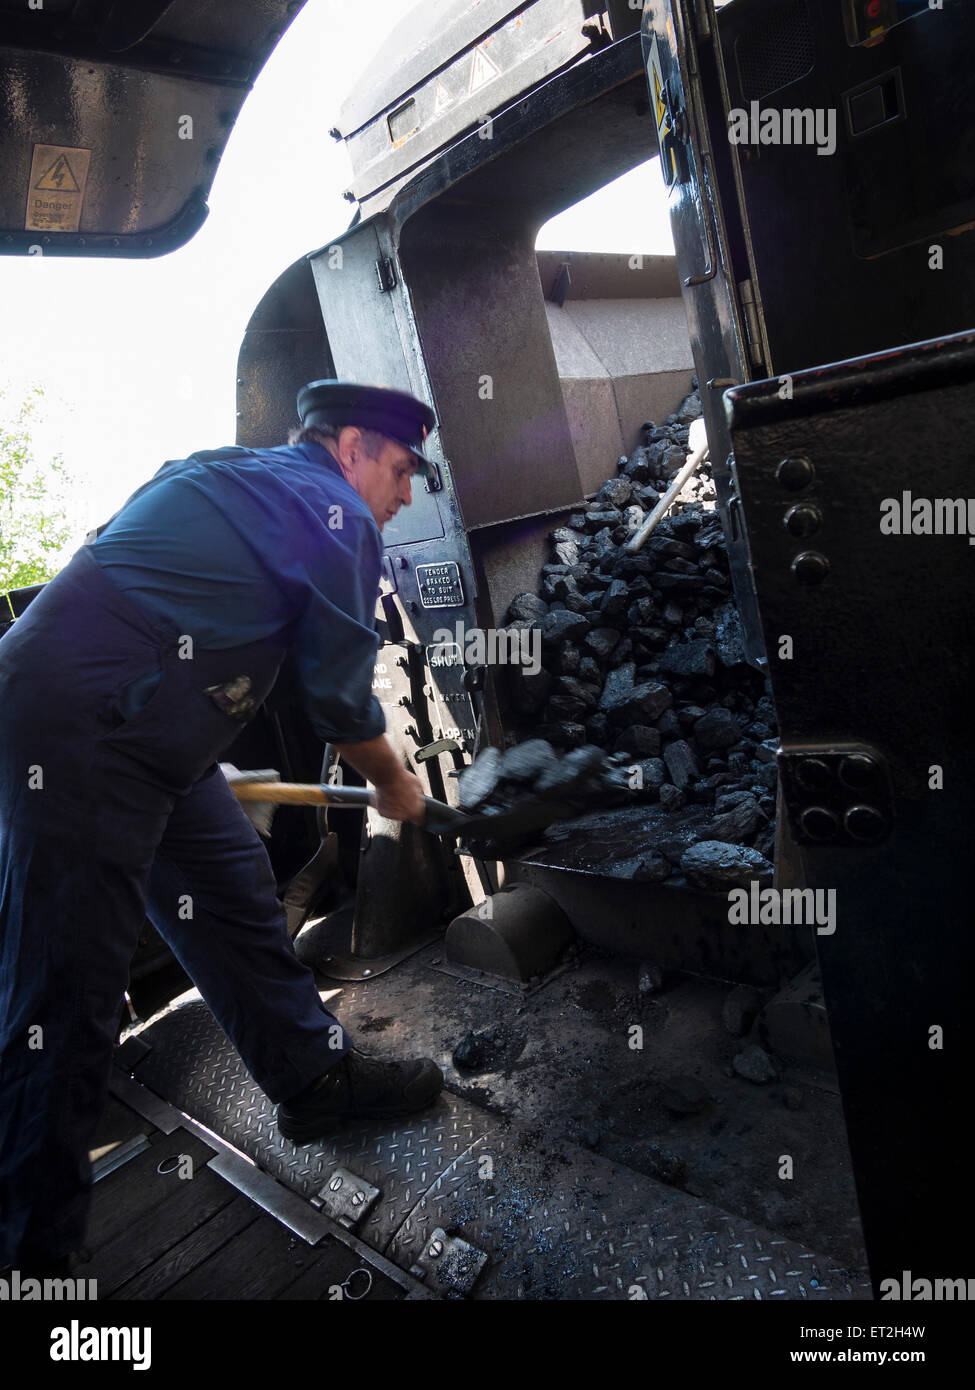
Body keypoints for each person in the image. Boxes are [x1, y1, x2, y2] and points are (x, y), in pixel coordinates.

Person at [0, 380, 445, 1273]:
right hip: (83, 735)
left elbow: (157, 594)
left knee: (229, 883)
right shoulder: (332, 511)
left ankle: (309, 1077)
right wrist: (398, 785)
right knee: (64, 1001)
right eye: (400, 472)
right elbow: (336, 701)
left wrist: (188, 728)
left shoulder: (224, 471)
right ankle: (30, 1266)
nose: (403, 498)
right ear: (350, 447)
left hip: (136, 723)